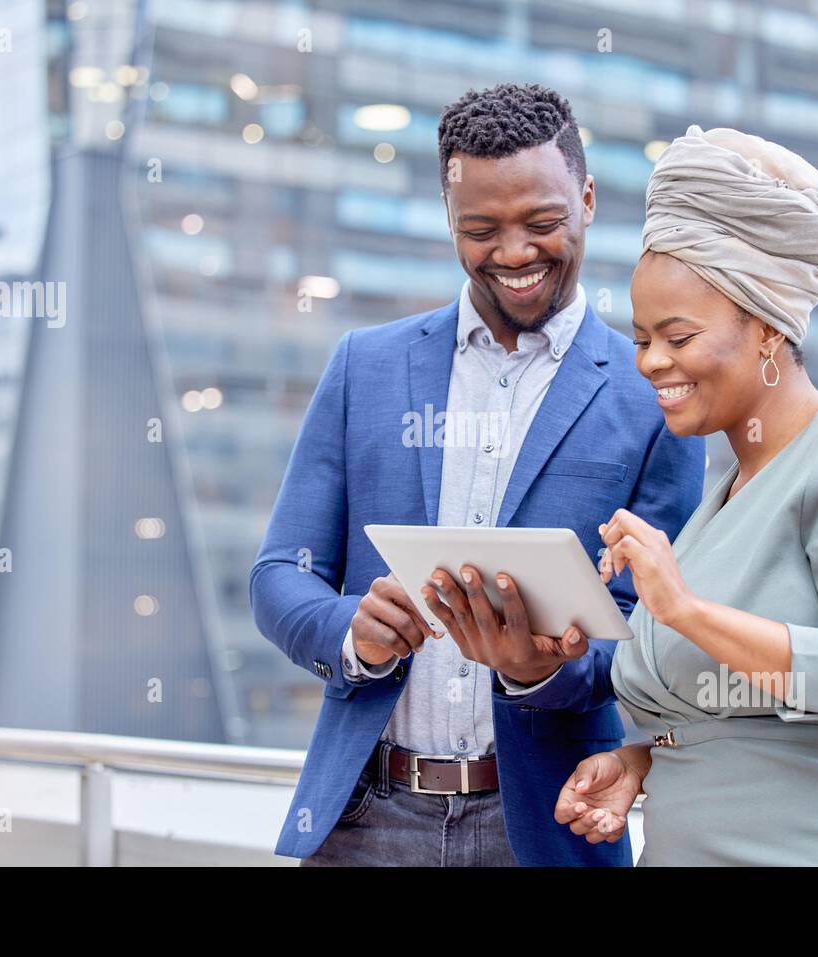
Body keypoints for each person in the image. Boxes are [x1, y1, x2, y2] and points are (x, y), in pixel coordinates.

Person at [248, 85, 704, 867]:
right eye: (481, 229)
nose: (515, 253)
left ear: (588, 199)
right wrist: (352, 631)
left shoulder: (657, 394)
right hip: (365, 820)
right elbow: (278, 577)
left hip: (545, 824)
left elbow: (658, 641)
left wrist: (543, 671)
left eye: (543, 223)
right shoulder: (367, 367)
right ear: (448, 219)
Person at [554, 125, 818, 866]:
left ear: (769, 331)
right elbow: (732, 716)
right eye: (642, 335)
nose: (649, 362)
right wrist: (644, 761)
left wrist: (684, 608)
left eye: (678, 336)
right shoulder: (723, 491)